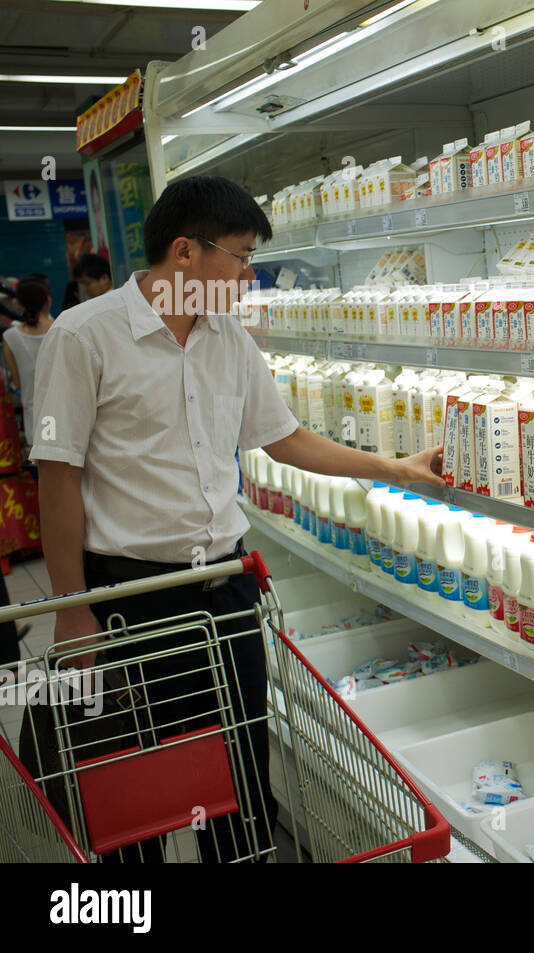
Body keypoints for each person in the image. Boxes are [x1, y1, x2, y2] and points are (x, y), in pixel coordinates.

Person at [30, 174, 444, 861]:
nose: (249, 275)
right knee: (138, 785)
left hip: (224, 587)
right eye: (242, 256)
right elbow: (58, 475)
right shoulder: (85, 336)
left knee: (237, 768)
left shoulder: (229, 340)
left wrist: (396, 469)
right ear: (186, 253)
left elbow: (284, 439)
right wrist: (73, 609)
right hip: (130, 596)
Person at [4, 276, 55, 447]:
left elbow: (17, 381)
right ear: (47, 300)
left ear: (18, 303)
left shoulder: (10, 337)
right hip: (67, 413)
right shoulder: (62, 328)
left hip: (35, 417)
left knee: (44, 470)